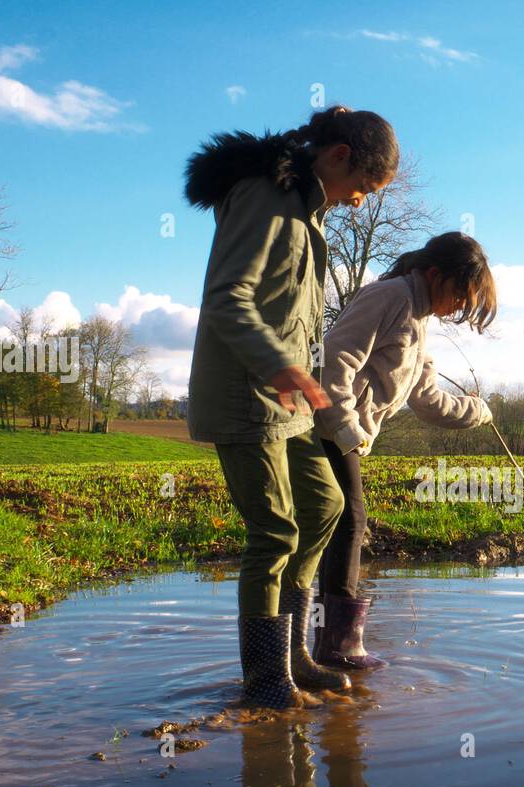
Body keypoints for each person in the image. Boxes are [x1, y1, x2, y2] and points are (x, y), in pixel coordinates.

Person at [184, 106, 398, 707]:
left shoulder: (308, 212)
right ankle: (265, 679)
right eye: (364, 187)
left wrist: (305, 376)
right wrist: (281, 366)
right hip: (245, 394)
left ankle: (295, 655)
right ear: (338, 157)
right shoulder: (262, 196)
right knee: (274, 529)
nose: (360, 202)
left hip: (291, 400)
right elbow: (228, 300)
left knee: (326, 503)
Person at [313, 232, 497, 670]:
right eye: (458, 295)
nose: (456, 308)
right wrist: (347, 429)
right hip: (323, 428)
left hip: (343, 434)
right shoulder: (389, 297)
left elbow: (427, 399)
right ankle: (338, 647)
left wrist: (478, 411)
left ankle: (327, 644)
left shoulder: (420, 320)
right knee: (349, 519)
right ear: (434, 274)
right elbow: (333, 360)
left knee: (337, 523)